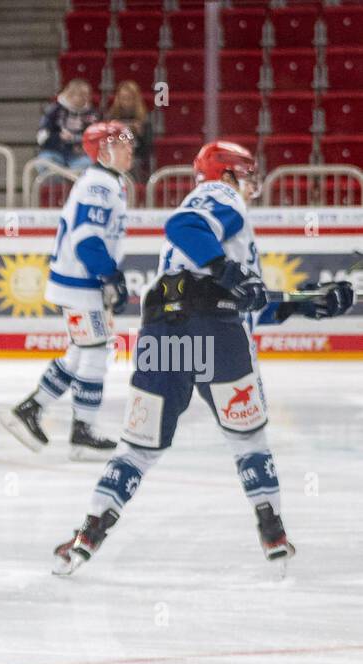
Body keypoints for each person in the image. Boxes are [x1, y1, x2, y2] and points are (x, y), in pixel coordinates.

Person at [51, 141, 355, 577]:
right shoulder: (221, 196)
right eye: (247, 173)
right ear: (227, 174)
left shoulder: (216, 238)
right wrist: (229, 272)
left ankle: (88, 535)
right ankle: (273, 534)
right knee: (247, 440)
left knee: (139, 448)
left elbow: (237, 297)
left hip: (163, 331)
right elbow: (185, 227)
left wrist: (303, 301)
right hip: (214, 331)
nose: (253, 183)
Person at [3, 122, 133, 460]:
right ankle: (81, 431)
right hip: (80, 286)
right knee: (95, 352)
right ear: (103, 151)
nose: (129, 150)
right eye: (121, 145)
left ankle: (31, 410)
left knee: (81, 351)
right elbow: (87, 239)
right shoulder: (99, 186)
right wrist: (109, 276)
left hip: (77, 284)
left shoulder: (106, 182)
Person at [36, 79, 99, 173]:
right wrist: (58, 137)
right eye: (81, 95)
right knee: (44, 162)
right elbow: (41, 136)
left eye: (87, 95)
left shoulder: (92, 114)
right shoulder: (54, 110)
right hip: (55, 152)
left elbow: (94, 137)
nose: (85, 98)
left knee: (88, 164)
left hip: (79, 155)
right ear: (70, 94)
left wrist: (77, 140)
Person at [103, 80, 153, 182]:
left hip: (135, 154)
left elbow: (147, 147)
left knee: (132, 165)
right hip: (113, 153)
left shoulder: (145, 118)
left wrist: (140, 133)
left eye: (130, 98)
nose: (126, 102)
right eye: (123, 98)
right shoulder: (110, 116)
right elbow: (104, 141)